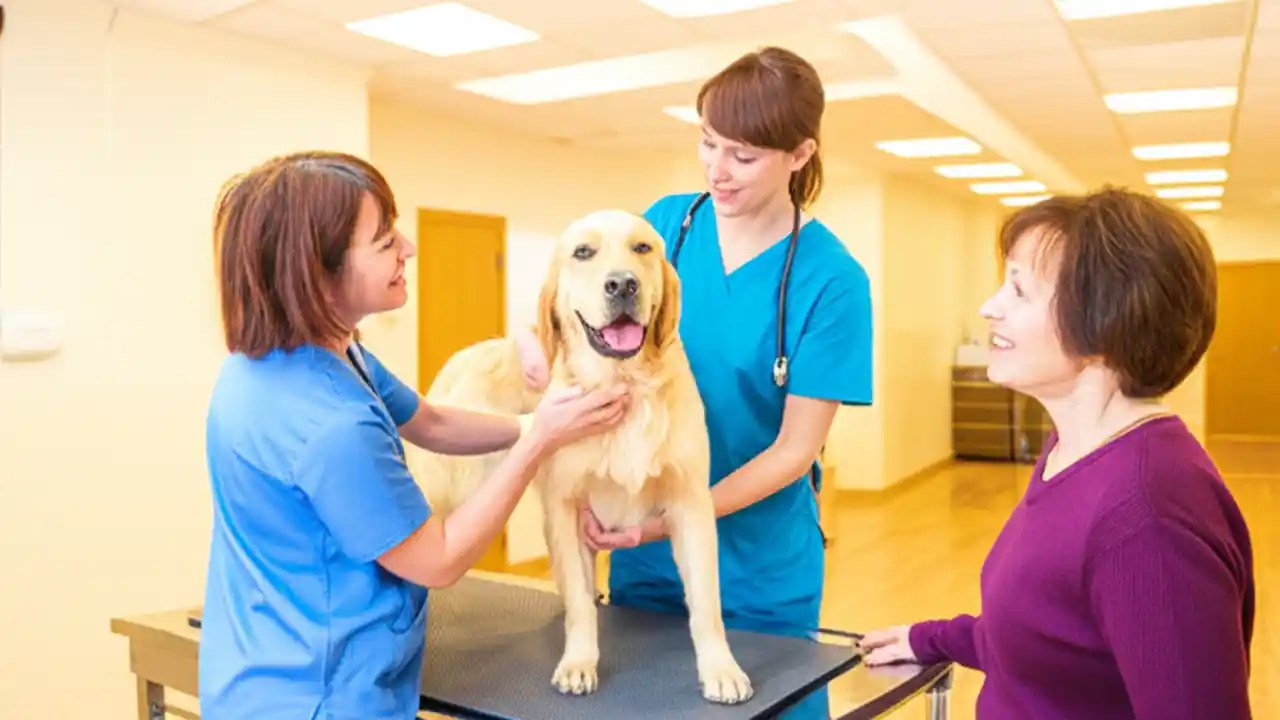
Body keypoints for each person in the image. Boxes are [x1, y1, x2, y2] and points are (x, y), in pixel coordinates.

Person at [198, 151, 629, 719]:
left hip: (255, 670)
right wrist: (537, 444)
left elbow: (431, 421)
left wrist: (538, 421)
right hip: (320, 698)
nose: (409, 247)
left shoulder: (287, 360)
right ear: (317, 271)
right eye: (384, 241)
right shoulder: (331, 427)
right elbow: (437, 559)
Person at [518, 47, 873, 718]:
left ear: (799, 154)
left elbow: (795, 451)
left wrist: (670, 521)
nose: (717, 168)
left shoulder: (832, 281)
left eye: (744, 155)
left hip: (761, 574)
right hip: (643, 572)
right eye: (708, 142)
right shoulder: (662, 230)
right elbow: (584, 315)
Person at [860, 187, 1255, 719]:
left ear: (1104, 321)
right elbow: (1051, 641)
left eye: (1019, 291)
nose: (989, 308)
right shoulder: (1075, 449)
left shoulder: (1147, 515)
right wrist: (931, 637)